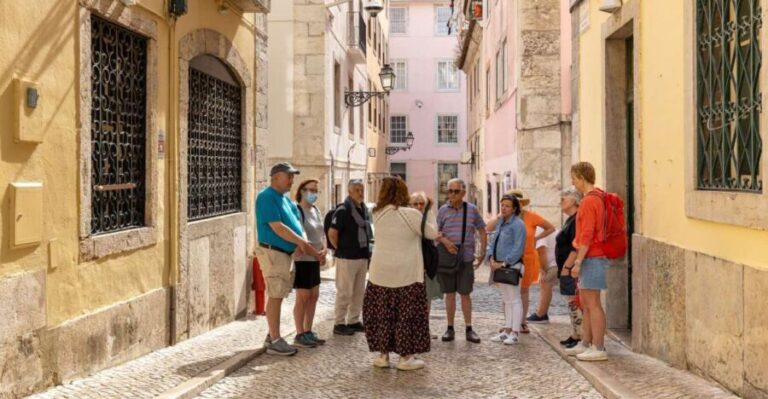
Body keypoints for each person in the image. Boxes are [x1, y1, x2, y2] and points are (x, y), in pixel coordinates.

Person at [363, 177, 438, 370]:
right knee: (407, 316)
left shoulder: (377, 213)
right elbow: (432, 233)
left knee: (382, 315)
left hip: (379, 273)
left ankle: (383, 356)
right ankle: (406, 358)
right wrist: (429, 211)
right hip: (406, 273)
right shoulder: (410, 214)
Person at [255, 162, 320, 356]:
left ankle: (272, 334)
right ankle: (275, 340)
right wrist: (302, 244)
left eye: (293, 176)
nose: (292, 180)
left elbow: (296, 226)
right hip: (273, 253)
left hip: (285, 254)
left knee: (279, 294)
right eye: (288, 176)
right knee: (275, 295)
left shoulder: (285, 200)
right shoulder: (266, 197)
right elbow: (278, 228)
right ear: (275, 177)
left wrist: (298, 246)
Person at [566, 162, 609, 361]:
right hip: (591, 256)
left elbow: (587, 234)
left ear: (582, 178)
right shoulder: (594, 198)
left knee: (593, 303)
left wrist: (577, 262)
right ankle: (587, 343)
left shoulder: (590, 201)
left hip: (592, 257)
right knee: (586, 302)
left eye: (574, 178)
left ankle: (598, 347)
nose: (573, 183)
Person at [436, 179, 487, 343]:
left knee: (465, 293)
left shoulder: (471, 210)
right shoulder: (442, 211)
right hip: (447, 258)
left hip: (465, 258)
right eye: (449, 191)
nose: (451, 194)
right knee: (449, 294)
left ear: (463, 193)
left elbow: (482, 230)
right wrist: (446, 243)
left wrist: (483, 252)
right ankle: (449, 328)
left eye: (455, 191)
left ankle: (469, 328)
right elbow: (436, 233)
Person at [328, 179, 373, 336]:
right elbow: (332, 233)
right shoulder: (343, 210)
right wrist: (340, 248)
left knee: (358, 292)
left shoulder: (364, 209)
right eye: (357, 190)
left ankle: (353, 320)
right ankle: (339, 323)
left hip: (361, 256)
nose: (360, 193)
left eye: (362, 189)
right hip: (346, 257)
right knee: (344, 292)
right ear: (349, 192)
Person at [508, 190, 555, 333]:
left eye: (519, 203)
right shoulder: (506, 217)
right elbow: (490, 228)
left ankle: (522, 322)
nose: (517, 205)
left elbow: (550, 228)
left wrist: (536, 238)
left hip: (527, 258)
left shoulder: (531, 217)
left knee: (523, 291)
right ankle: (509, 324)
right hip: (509, 258)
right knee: (509, 292)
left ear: (522, 204)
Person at [292, 179, 328, 348]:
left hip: (315, 259)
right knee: (303, 297)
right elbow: (301, 237)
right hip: (303, 259)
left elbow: (322, 233)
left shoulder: (316, 210)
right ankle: (299, 333)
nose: (313, 193)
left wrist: (325, 250)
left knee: (314, 296)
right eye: (310, 190)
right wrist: (317, 254)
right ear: (302, 191)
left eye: (316, 190)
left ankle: (308, 330)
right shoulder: (297, 210)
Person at [487, 195, 527, 345]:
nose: (503, 208)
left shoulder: (518, 225)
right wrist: (490, 257)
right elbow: (493, 241)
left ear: (514, 208)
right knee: (506, 299)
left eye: (507, 206)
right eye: (502, 205)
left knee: (515, 299)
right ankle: (507, 330)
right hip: (498, 265)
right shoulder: (501, 223)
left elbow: (518, 248)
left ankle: (515, 332)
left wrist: (503, 262)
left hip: (512, 266)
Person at [410, 191, 442, 339]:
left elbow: (433, 233)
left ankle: (424, 330)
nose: (419, 206)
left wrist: (427, 212)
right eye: (415, 203)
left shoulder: (428, 216)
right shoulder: (408, 218)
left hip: (427, 263)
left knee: (426, 298)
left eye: (421, 203)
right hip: (411, 264)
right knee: (412, 300)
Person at [556, 186, 584, 349]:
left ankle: (580, 336)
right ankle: (576, 333)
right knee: (571, 301)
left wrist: (567, 267)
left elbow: (576, 246)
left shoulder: (576, 220)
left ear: (573, 201)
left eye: (563, 199)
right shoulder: (571, 219)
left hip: (571, 268)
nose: (560, 202)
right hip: (567, 267)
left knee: (575, 301)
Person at [527, 225, 559, 324]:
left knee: (545, 285)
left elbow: (542, 252)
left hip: (552, 264)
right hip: (556, 262)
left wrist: (545, 270)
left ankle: (541, 314)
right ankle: (542, 313)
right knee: (545, 286)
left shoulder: (538, 232)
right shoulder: (541, 229)